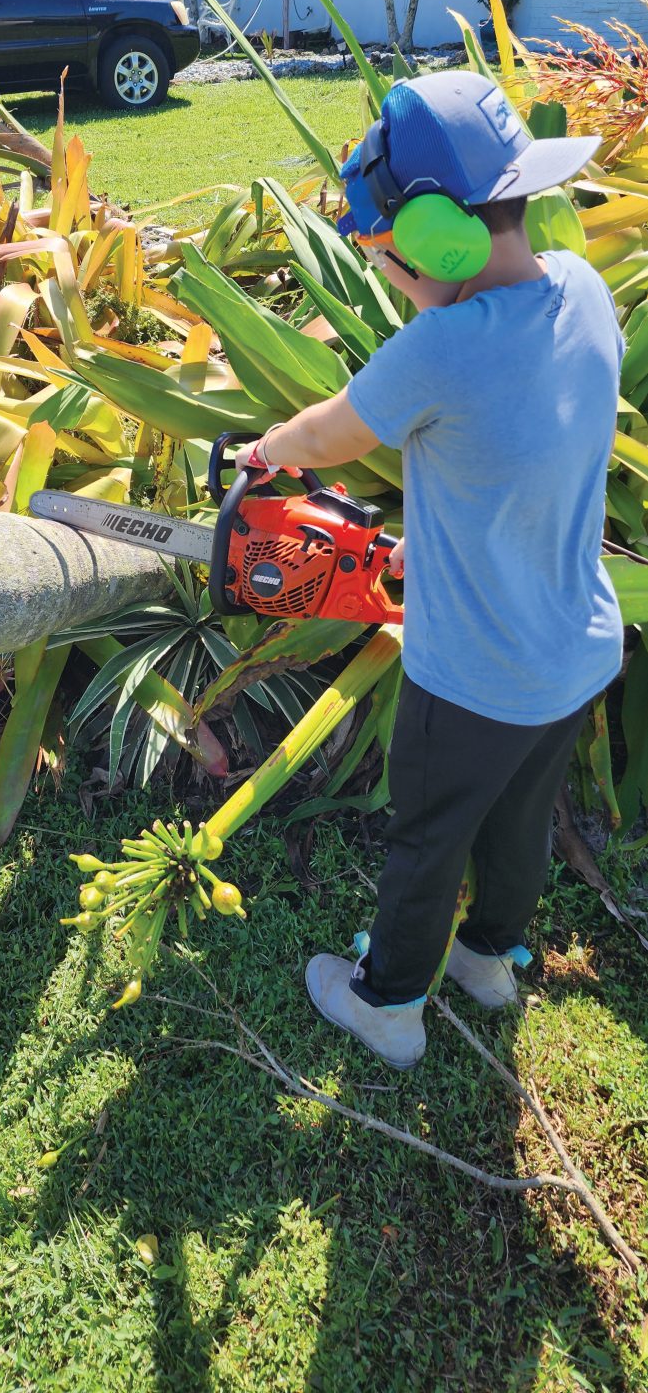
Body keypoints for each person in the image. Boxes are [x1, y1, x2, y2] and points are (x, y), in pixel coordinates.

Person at [233, 71, 624, 1071]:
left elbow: (326, 434)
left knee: (425, 837)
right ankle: (488, 961)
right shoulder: (580, 292)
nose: (392, 278)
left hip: (474, 678)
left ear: (437, 238)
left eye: (391, 260)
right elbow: (523, 458)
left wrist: (268, 449)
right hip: (574, 650)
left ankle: (388, 1003)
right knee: (517, 821)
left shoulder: (440, 345)